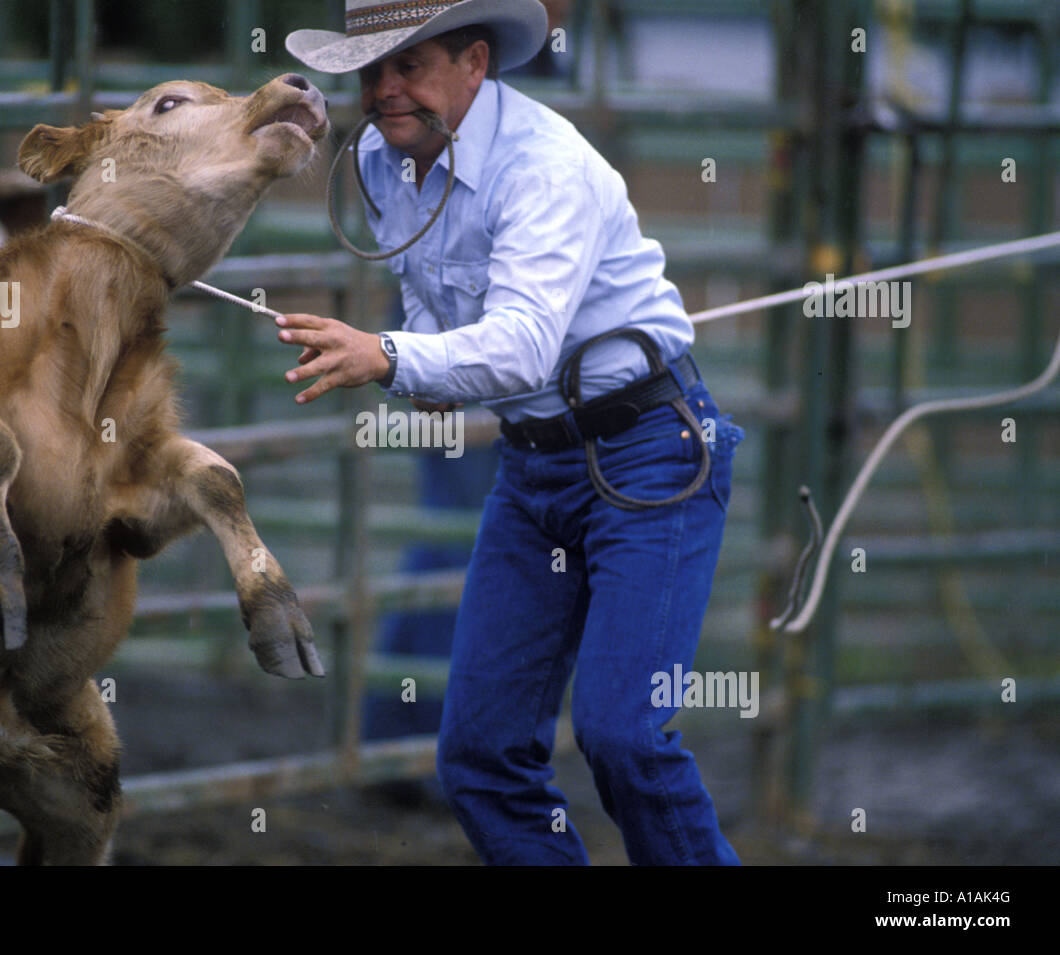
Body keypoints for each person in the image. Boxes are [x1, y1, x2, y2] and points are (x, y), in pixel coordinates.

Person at [282, 0, 743, 865]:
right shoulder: (386, 161)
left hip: (649, 453)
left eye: (408, 65)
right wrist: (419, 357)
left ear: (474, 63)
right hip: (536, 469)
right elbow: (425, 290)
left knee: (626, 736)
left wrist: (391, 356)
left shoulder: (545, 167)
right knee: (480, 755)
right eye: (371, 69)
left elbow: (526, 345)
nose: (384, 90)